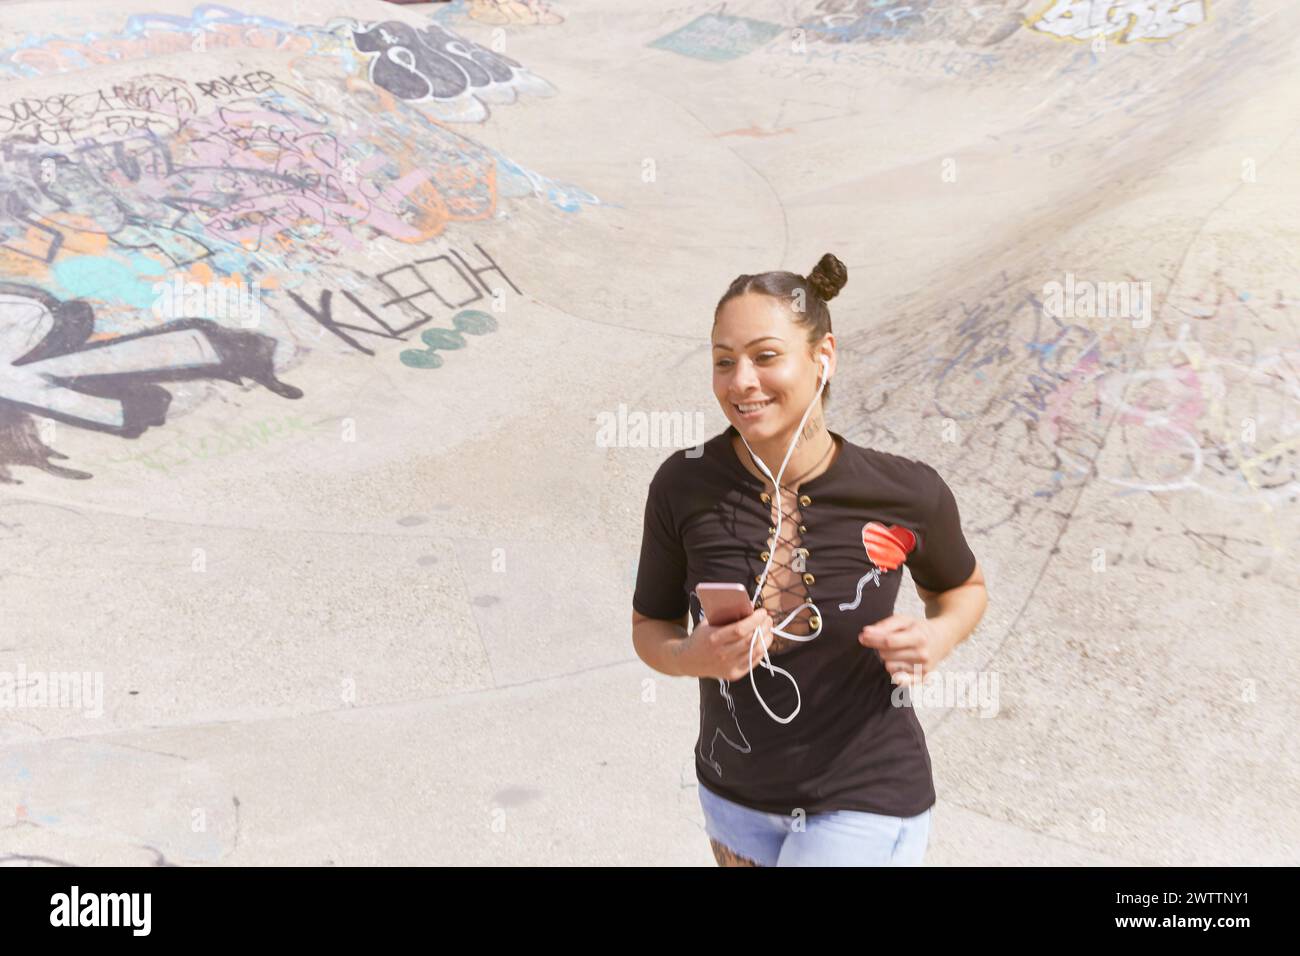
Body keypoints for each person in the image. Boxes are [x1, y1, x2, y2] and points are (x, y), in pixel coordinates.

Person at [631, 253, 988, 866]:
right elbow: (650, 628)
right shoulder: (683, 485)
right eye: (723, 361)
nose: (740, 381)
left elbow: (964, 588)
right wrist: (690, 655)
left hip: (866, 793)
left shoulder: (906, 493)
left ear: (823, 357)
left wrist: (939, 635)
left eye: (765, 356)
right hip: (734, 793)